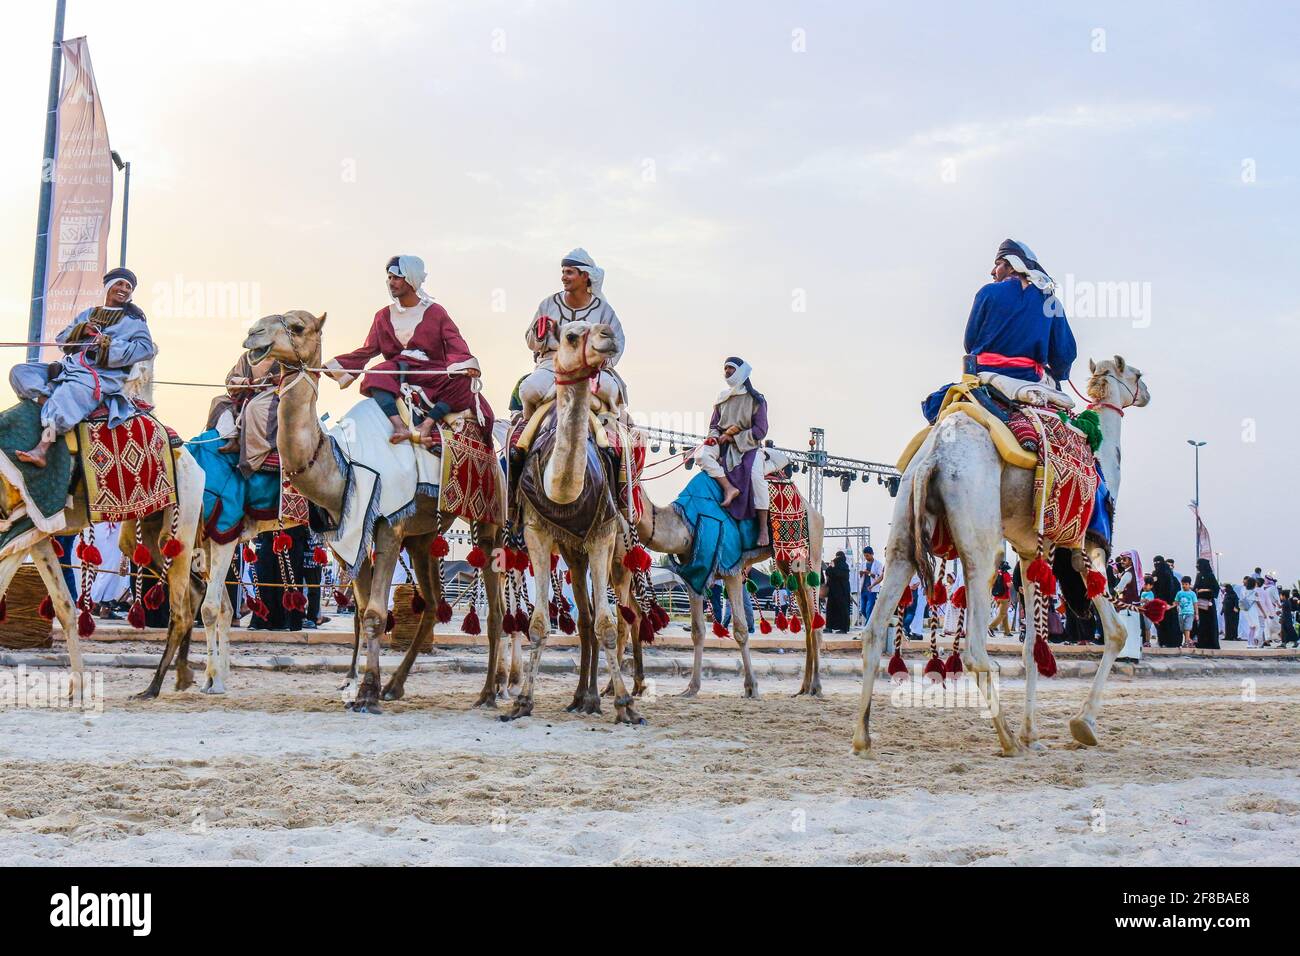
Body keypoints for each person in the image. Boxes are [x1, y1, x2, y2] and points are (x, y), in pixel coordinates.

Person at [325, 255, 491, 447]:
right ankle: (399, 426)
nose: (391, 282)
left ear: (411, 279)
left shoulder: (435, 312)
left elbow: (454, 341)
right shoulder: (382, 316)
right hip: (399, 370)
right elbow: (368, 350)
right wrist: (335, 367)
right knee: (375, 375)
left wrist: (466, 365)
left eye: (396, 277)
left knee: (463, 382)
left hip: (431, 371)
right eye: (389, 277)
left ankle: (427, 425)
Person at [11, 267, 156, 467]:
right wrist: (80, 331)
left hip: (101, 377)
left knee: (67, 394)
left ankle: (41, 449)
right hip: (69, 369)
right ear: (109, 286)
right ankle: (51, 402)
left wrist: (108, 345)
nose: (123, 289)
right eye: (120, 283)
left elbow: (146, 349)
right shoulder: (89, 314)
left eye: (128, 286)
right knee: (20, 372)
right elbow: (62, 340)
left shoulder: (134, 322)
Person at [922, 239, 1077, 423]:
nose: (992, 271)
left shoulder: (988, 292)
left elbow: (970, 343)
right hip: (1029, 381)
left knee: (935, 406)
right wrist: (1059, 373)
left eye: (998, 264)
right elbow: (1065, 355)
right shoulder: (1051, 303)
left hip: (985, 377)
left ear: (1012, 267)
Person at [520, 248, 625, 420]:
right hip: (553, 365)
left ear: (585, 276)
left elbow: (618, 343)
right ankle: (524, 435)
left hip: (591, 369)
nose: (563, 277)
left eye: (569, 272)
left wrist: (602, 361)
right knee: (528, 390)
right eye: (563, 272)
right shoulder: (548, 304)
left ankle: (611, 439)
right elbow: (531, 343)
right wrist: (538, 333)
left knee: (612, 392)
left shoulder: (603, 310)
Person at [694, 358, 771, 539]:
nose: (727, 371)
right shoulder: (722, 398)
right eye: (725, 368)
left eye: (731, 368)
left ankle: (763, 529)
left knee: (756, 477)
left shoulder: (756, 400)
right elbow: (713, 425)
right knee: (701, 456)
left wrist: (734, 437)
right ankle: (728, 488)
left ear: (741, 372)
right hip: (721, 445)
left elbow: (761, 430)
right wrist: (713, 438)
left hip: (748, 447)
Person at [206, 348, 284, 475]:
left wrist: (279, 379)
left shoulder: (284, 357)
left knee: (254, 407)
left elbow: (292, 378)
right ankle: (232, 439)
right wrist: (247, 382)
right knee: (218, 402)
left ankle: (254, 457)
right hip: (245, 395)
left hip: (274, 398)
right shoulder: (247, 357)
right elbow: (231, 379)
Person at [1114, 550, 1144, 663]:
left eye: (1124, 559)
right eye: (1121, 559)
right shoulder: (1133, 574)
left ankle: (1123, 655)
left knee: (1124, 632)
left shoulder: (1128, 574)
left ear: (1131, 561)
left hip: (1125, 608)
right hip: (1134, 608)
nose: (1122, 562)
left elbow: (1119, 589)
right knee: (1133, 632)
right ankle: (1134, 655)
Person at [1151, 555, 1182, 648]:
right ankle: (1167, 641)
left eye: (1158, 563)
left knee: (1166, 623)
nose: (1156, 565)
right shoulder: (1162, 574)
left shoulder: (1165, 575)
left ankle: (1167, 641)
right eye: (1155, 563)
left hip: (1166, 603)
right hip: (1166, 604)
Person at [1193, 558, 1220, 650]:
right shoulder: (1199, 575)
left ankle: (1212, 643)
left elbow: (1216, 589)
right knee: (1201, 624)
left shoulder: (1210, 576)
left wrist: (1204, 590)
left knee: (1210, 623)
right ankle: (1202, 642)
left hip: (1209, 603)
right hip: (1200, 603)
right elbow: (1196, 588)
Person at [824, 551, 852, 633]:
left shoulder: (845, 567)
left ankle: (843, 628)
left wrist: (832, 568)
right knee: (830, 609)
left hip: (842, 592)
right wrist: (831, 567)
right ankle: (829, 627)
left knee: (842, 610)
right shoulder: (834, 565)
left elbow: (838, 574)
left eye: (838, 557)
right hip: (833, 592)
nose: (837, 559)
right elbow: (828, 572)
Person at [858, 546, 883, 625]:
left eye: (867, 555)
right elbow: (859, 576)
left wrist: (869, 573)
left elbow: (879, 577)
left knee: (869, 609)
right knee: (862, 609)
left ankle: (867, 626)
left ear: (872, 554)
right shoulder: (863, 564)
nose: (866, 557)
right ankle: (872, 622)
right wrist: (861, 573)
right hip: (863, 590)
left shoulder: (878, 564)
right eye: (865, 556)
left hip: (872, 590)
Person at [990, 560, 1013, 635]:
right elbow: (1009, 585)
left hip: (997, 597)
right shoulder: (1006, 574)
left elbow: (992, 584)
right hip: (1004, 597)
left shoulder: (996, 573)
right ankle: (991, 627)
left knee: (1004, 613)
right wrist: (1012, 583)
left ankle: (1007, 631)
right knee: (1002, 614)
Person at [1239, 577, 1262, 648]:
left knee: (1251, 627)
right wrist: (1263, 612)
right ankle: (1252, 642)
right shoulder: (1255, 592)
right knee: (1256, 626)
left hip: (1245, 610)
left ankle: (1249, 643)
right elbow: (1258, 603)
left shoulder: (1244, 591)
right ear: (1253, 584)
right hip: (1252, 610)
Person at [1176, 576, 1197, 647]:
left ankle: (1186, 642)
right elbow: (1176, 602)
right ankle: (1189, 640)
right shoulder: (1179, 593)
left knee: (1187, 628)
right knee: (1182, 628)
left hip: (1190, 613)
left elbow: (1195, 604)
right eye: (1183, 584)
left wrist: (1196, 614)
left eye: (1186, 584)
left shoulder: (1192, 594)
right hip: (1181, 613)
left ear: (1189, 584)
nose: (1184, 586)